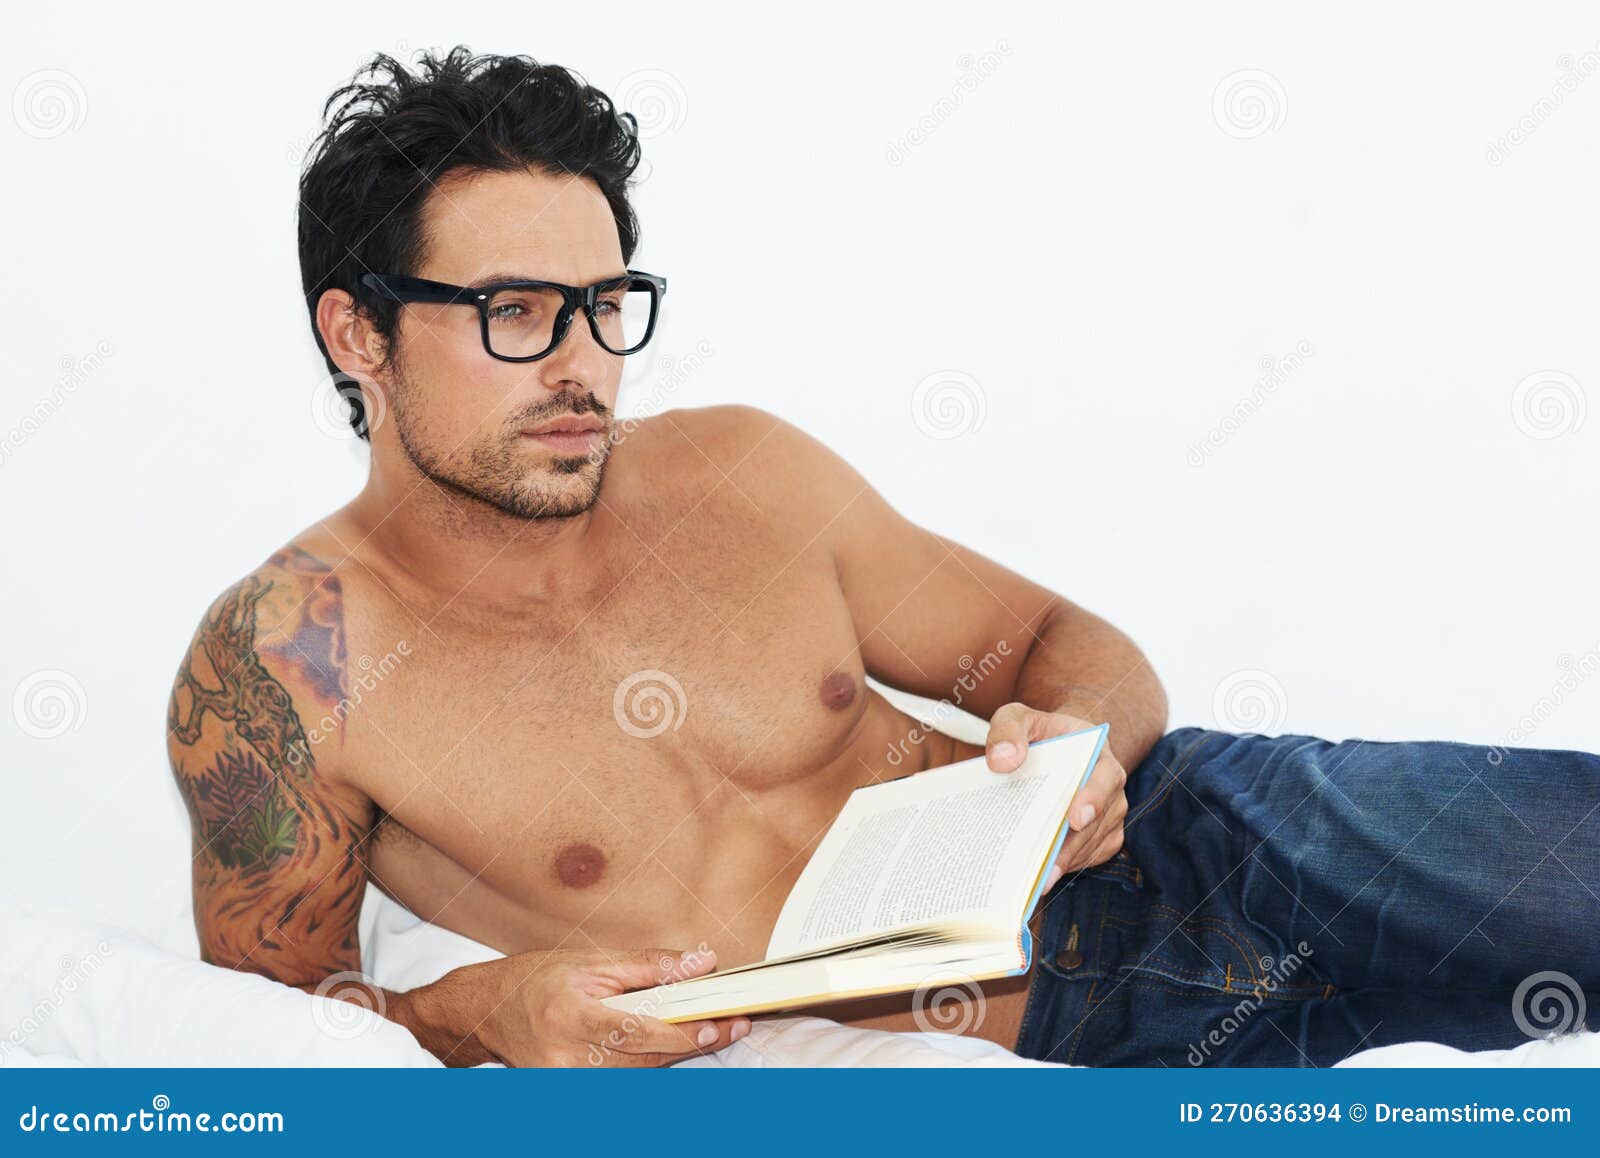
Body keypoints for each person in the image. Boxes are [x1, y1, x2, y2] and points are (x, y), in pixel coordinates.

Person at [166, 47, 1599, 1067]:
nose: (583, 366)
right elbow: (281, 1042)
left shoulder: (738, 468)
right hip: (1066, 1046)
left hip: (1203, 836)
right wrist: (478, 1013)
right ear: (356, 331)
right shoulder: (284, 673)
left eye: (609, 307)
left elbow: (1057, 642)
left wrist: (1083, 744)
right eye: (519, 312)